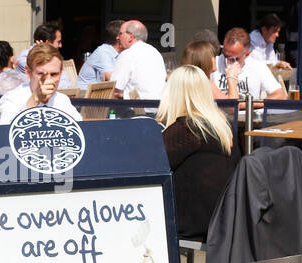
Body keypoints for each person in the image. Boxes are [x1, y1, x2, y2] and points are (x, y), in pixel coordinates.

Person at [156, 65, 238, 240]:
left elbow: (152, 164)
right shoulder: (221, 126)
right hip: (222, 218)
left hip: (191, 224)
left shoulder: (187, 128)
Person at [0, 43, 82, 124]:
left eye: (54, 74)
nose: (48, 80)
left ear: (61, 72)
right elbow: (8, 133)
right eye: (41, 74)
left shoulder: (61, 100)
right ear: (28, 72)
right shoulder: (12, 100)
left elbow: (82, 130)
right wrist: (35, 99)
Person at [222, 27, 287, 103]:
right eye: (225, 56)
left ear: (247, 54)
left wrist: (250, 106)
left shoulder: (257, 66)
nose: (228, 62)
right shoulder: (213, 64)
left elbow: (281, 95)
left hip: (248, 113)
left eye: (235, 59)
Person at [111, 20, 167, 100]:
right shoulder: (155, 52)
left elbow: (115, 91)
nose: (117, 37)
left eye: (120, 34)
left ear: (130, 36)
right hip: (159, 108)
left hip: (137, 109)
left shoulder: (127, 54)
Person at [78, 20, 123, 90]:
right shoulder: (103, 52)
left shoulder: (120, 53)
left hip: (100, 94)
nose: (131, 37)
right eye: (128, 33)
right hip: (84, 96)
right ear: (119, 37)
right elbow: (113, 80)